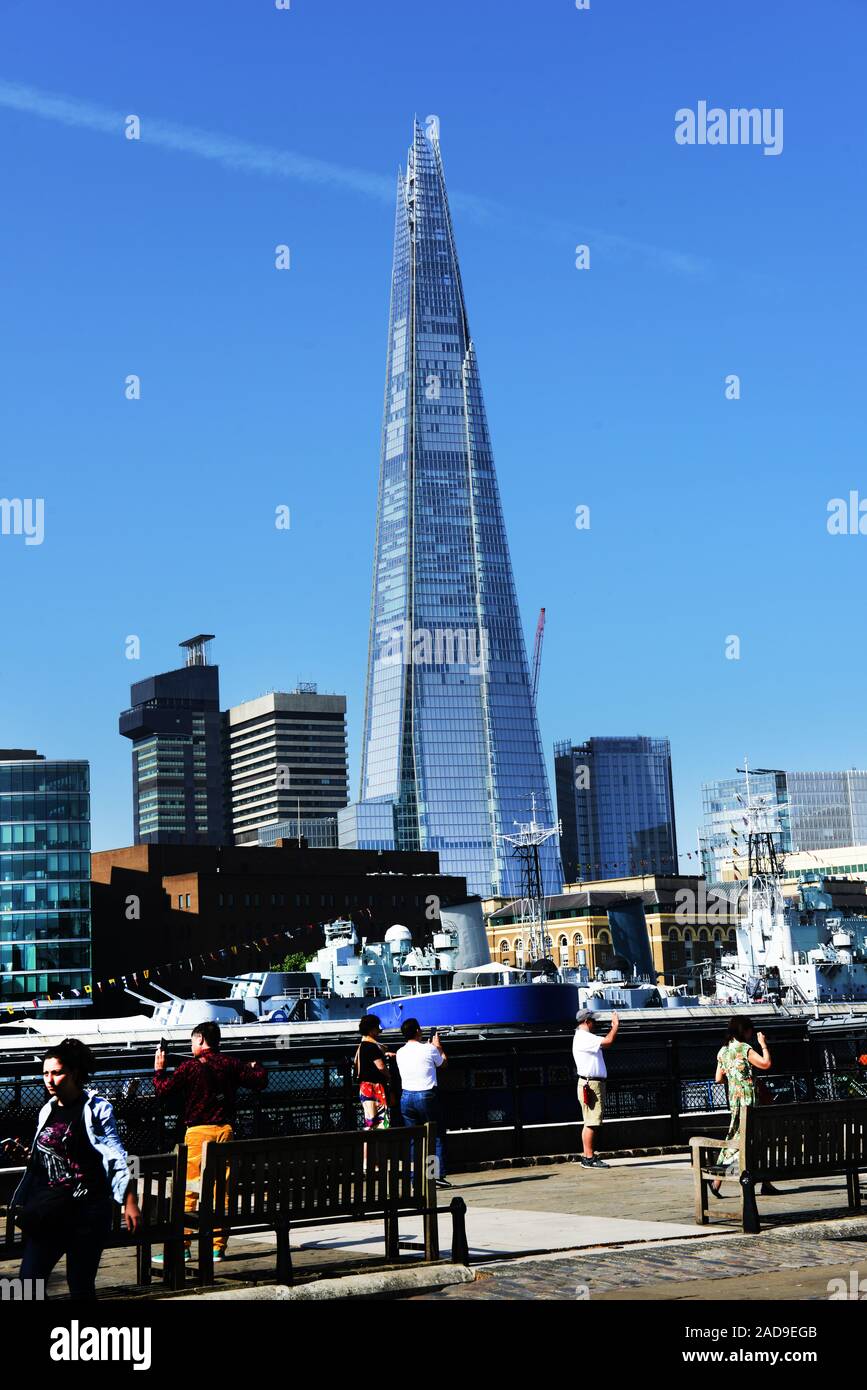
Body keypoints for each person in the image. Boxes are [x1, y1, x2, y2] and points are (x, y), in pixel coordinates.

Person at [2, 1038, 141, 1300]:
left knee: (80, 1285)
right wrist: (28, 1157)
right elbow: (53, 1160)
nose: (49, 1080)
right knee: (27, 1285)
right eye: (45, 1073)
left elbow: (116, 1154)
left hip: (85, 1214)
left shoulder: (96, 1109)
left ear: (74, 1074)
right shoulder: (48, 1110)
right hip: (49, 1212)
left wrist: (129, 1200)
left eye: (56, 1072)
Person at [153, 1021, 267, 1262]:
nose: (191, 1045)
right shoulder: (231, 1064)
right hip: (225, 1131)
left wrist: (159, 1070)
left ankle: (181, 1246)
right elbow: (259, 1080)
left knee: (188, 1191)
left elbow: (163, 1090)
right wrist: (258, 1066)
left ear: (201, 1040)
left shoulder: (189, 1067)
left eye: (192, 1041)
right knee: (222, 1190)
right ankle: (217, 1247)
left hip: (197, 1133)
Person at [710, 1015, 775, 1197]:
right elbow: (766, 1063)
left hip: (735, 1100)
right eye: (750, 1031)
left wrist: (734, 1077)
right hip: (748, 1100)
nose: (751, 1034)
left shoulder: (723, 1051)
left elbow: (718, 1078)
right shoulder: (744, 1048)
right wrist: (763, 1044)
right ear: (744, 1030)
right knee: (747, 1138)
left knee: (740, 1137)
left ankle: (765, 1183)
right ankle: (716, 1181)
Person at [395, 1018, 451, 1188]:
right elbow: (443, 1063)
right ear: (418, 1031)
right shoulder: (429, 1048)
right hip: (426, 1095)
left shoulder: (400, 1052)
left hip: (406, 1097)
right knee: (436, 1136)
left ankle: (415, 1178)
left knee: (415, 1139)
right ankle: (434, 1177)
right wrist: (438, 1046)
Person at [572, 1008, 619, 1168]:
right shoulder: (584, 1037)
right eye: (593, 1021)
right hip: (591, 1084)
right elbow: (608, 1042)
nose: (595, 1024)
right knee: (592, 1121)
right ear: (586, 1021)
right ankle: (589, 1157)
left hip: (590, 1083)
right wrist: (615, 1026)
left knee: (589, 1121)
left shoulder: (583, 1037)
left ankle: (587, 1156)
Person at [354, 1015, 395, 1130]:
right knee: (381, 1124)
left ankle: (367, 1148)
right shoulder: (372, 1047)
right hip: (374, 1088)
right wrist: (389, 1076)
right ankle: (379, 1148)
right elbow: (381, 1066)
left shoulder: (362, 1045)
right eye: (377, 1027)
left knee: (370, 1123)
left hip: (365, 1088)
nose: (379, 1030)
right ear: (371, 1029)